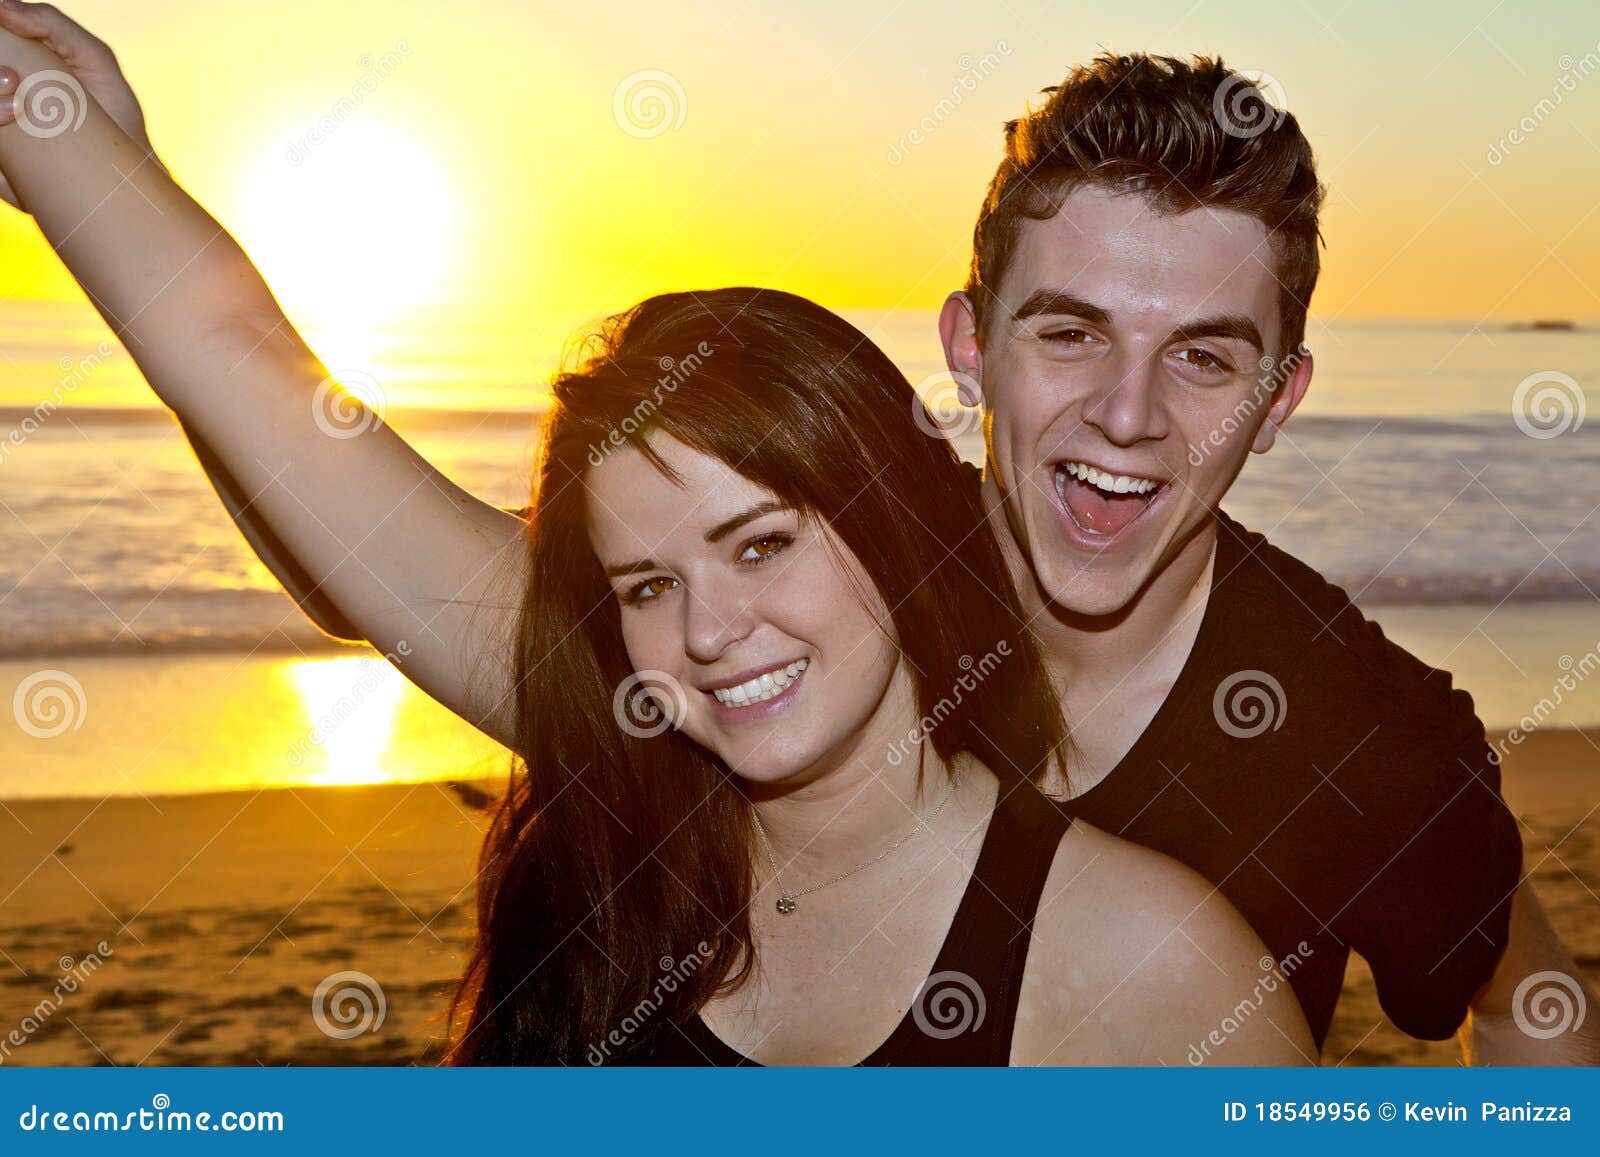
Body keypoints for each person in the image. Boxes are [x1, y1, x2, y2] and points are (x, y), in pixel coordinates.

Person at [2, 11, 1589, 1062]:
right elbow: (374, 535)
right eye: (1069, 332)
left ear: (1283, 394)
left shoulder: (1360, 734)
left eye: (1206, 355)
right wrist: (93, 153)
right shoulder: (799, 600)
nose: (1125, 413)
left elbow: (1525, 991)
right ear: (968, 344)